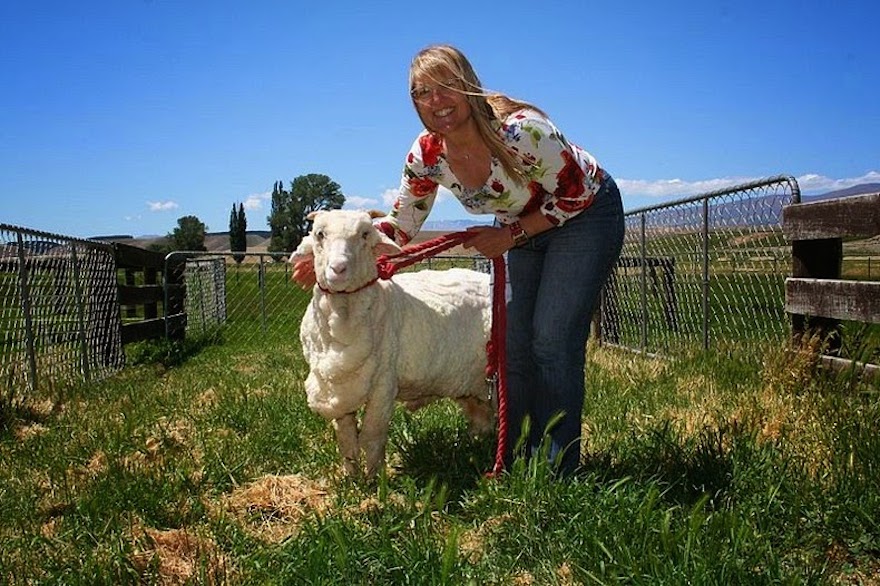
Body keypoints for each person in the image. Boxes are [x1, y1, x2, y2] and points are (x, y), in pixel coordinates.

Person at [294, 44, 624, 477]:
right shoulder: (427, 154)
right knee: (515, 343)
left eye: (446, 85)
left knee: (551, 340)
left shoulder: (521, 133)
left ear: (469, 85)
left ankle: (559, 467)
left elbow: (577, 192)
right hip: (518, 226)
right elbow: (401, 224)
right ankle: (518, 453)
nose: (437, 101)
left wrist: (510, 234)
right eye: (422, 92)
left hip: (584, 216)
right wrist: (338, 253)